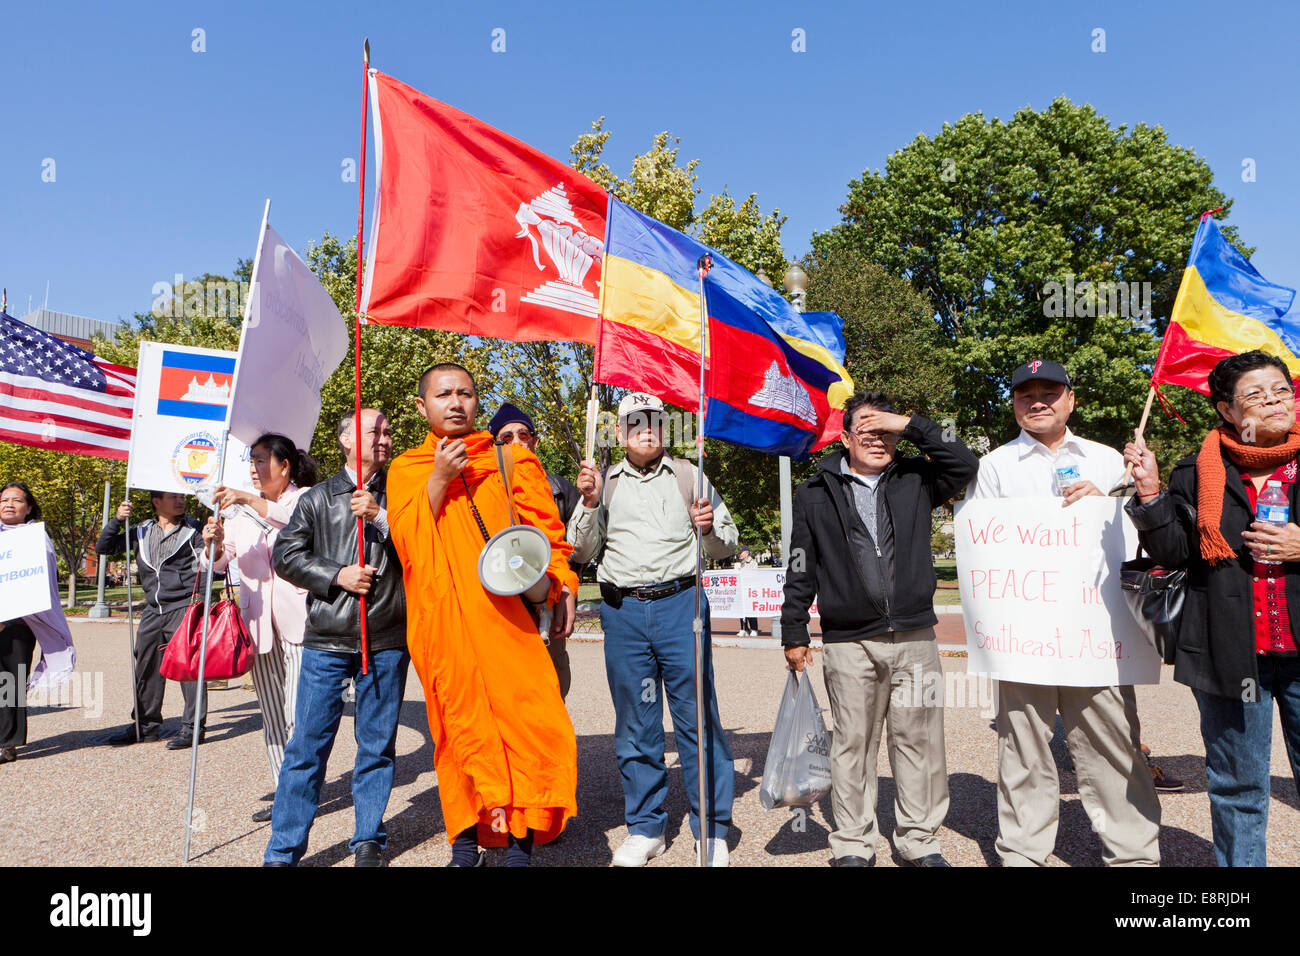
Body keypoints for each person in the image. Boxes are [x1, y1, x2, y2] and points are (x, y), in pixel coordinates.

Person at [968, 359, 1161, 867]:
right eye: (1024, 393)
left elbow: (1145, 538)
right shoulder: (994, 467)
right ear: (1013, 404)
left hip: (1097, 634)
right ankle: (1022, 854)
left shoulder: (1109, 461)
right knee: (1023, 753)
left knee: (1114, 751)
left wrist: (1109, 505)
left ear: (1070, 400)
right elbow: (983, 549)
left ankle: (1133, 857)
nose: (1037, 401)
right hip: (1023, 637)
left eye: (1049, 391)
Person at [389, 364, 578, 867]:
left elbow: (548, 536)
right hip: (444, 628)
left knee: (531, 724)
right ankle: (466, 842)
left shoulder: (510, 458)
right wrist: (440, 478)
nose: (455, 403)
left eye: (466, 394)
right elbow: (407, 542)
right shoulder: (407, 468)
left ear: (477, 402)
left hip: (507, 623)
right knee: (460, 731)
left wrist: (565, 586)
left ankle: (521, 844)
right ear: (421, 406)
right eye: (443, 394)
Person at [781, 391, 977, 867]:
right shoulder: (813, 491)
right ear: (845, 437)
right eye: (864, 430)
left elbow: (966, 461)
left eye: (884, 430)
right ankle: (853, 844)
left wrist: (908, 422)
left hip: (915, 637)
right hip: (849, 642)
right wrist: (793, 630)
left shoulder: (917, 478)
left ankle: (919, 840)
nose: (876, 438)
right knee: (853, 745)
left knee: (920, 742)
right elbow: (800, 565)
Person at [1125, 350, 1300, 866]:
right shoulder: (1196, 471)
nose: (1273, 400)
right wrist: (1150, 490)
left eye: (1281, 390)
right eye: (1255, 394)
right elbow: (1176, 553)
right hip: (1228, 655)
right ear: (1227, 411)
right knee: (1238, 787)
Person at [570, 392, 739, 866]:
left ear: (666, 429)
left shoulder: (690, 474)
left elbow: (727, 544)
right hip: (623, 612)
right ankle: (646, 828)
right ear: (619, 432)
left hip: (682, 605)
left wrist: (706, 528)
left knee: (697, 717)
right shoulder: (603, 484)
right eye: (635, 422)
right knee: (637, 724)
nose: (647, 429)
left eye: (656, 422)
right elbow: (580, 552)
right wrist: (587, 503)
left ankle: (711, 828)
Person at [265, 409, 408, 867]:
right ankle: (283, 850)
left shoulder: (404, 494)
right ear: (346, 439)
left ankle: (368, 838)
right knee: (307, 747)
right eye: (374, 431)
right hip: (327, 639)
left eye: (387, 431)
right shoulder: (318, 498)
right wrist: (336, 575)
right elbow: (286, 555)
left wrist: (382, 517)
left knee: (376, 745)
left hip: (385, 638)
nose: (384, 438)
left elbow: (426, 548)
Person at [201, 433, 316, 822]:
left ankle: (302, 788)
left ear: (285, 467)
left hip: (301, 621)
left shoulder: (306, 500)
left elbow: (290, 521)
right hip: (256, 624)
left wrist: (249, 500)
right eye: (252, 460)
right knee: (271, 712)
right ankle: (286, 792)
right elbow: (218, 563)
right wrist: (213, 544)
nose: (254, 467)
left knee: (296, 713)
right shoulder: (236, 514)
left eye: (263, 460)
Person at [95, 490, 206, 748]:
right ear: (156, 502)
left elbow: (211, 564)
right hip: (152, 609)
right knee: (145, 665)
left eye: (182, 497)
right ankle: (145, 726)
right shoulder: (141, 531)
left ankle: (193, 728)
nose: (181, 501)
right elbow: (104, 547)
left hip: (184, 606)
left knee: (188, 667)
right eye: (173, 497)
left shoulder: (196, 529)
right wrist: (117, 521)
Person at [490, 401, 581, 698]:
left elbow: (577, 547)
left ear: (535, 441)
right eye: (506, 438)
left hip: (550, 595)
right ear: (494, 446)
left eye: (523, 435)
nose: (516, 443)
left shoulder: (560, 488)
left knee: (554, 679)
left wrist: (565, 587)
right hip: (502, 601)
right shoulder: (484, 486)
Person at [0, 483, 76, 764]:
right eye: (4, 499)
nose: (8, 504)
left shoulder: (35, 539)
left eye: (16, 500)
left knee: (8, 682)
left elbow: (37, 585)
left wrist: (6, 617)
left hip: (18, 623)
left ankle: (7, 743)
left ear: (28, 507)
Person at [735, 547, 759, 637]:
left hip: (750, 590)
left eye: (741, 552)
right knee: (741, 609)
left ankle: (754, 628)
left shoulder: (753, 563)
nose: (739, 554)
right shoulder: (740, 564)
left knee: (751, 609)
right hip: (741, 589)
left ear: (747, 553)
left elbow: (754, 575)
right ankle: (744, 628)